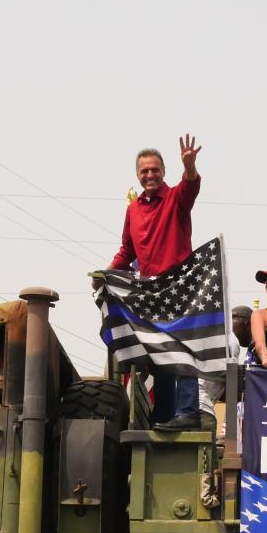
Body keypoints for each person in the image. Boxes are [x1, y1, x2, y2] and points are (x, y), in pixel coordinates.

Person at [105, 136, 203, 430]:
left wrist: (190, 167)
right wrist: (105, 274)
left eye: (155, 170)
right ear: (137, 174)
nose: (150, 175)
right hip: (150, 291)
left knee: (183, 348)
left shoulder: (175, 198)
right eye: (144, 171)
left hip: (179, 286)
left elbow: (191, 187)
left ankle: (188, 413)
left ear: (163, 172)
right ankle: (163, 415)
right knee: (159, 353)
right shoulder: (133, 209)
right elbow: (127, 251)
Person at [198, 305, 252, 416]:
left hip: (184, 405)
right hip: (201, 408)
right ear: (247, 324)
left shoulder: (210, 334)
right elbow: (232, 391)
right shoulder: (231, 341)